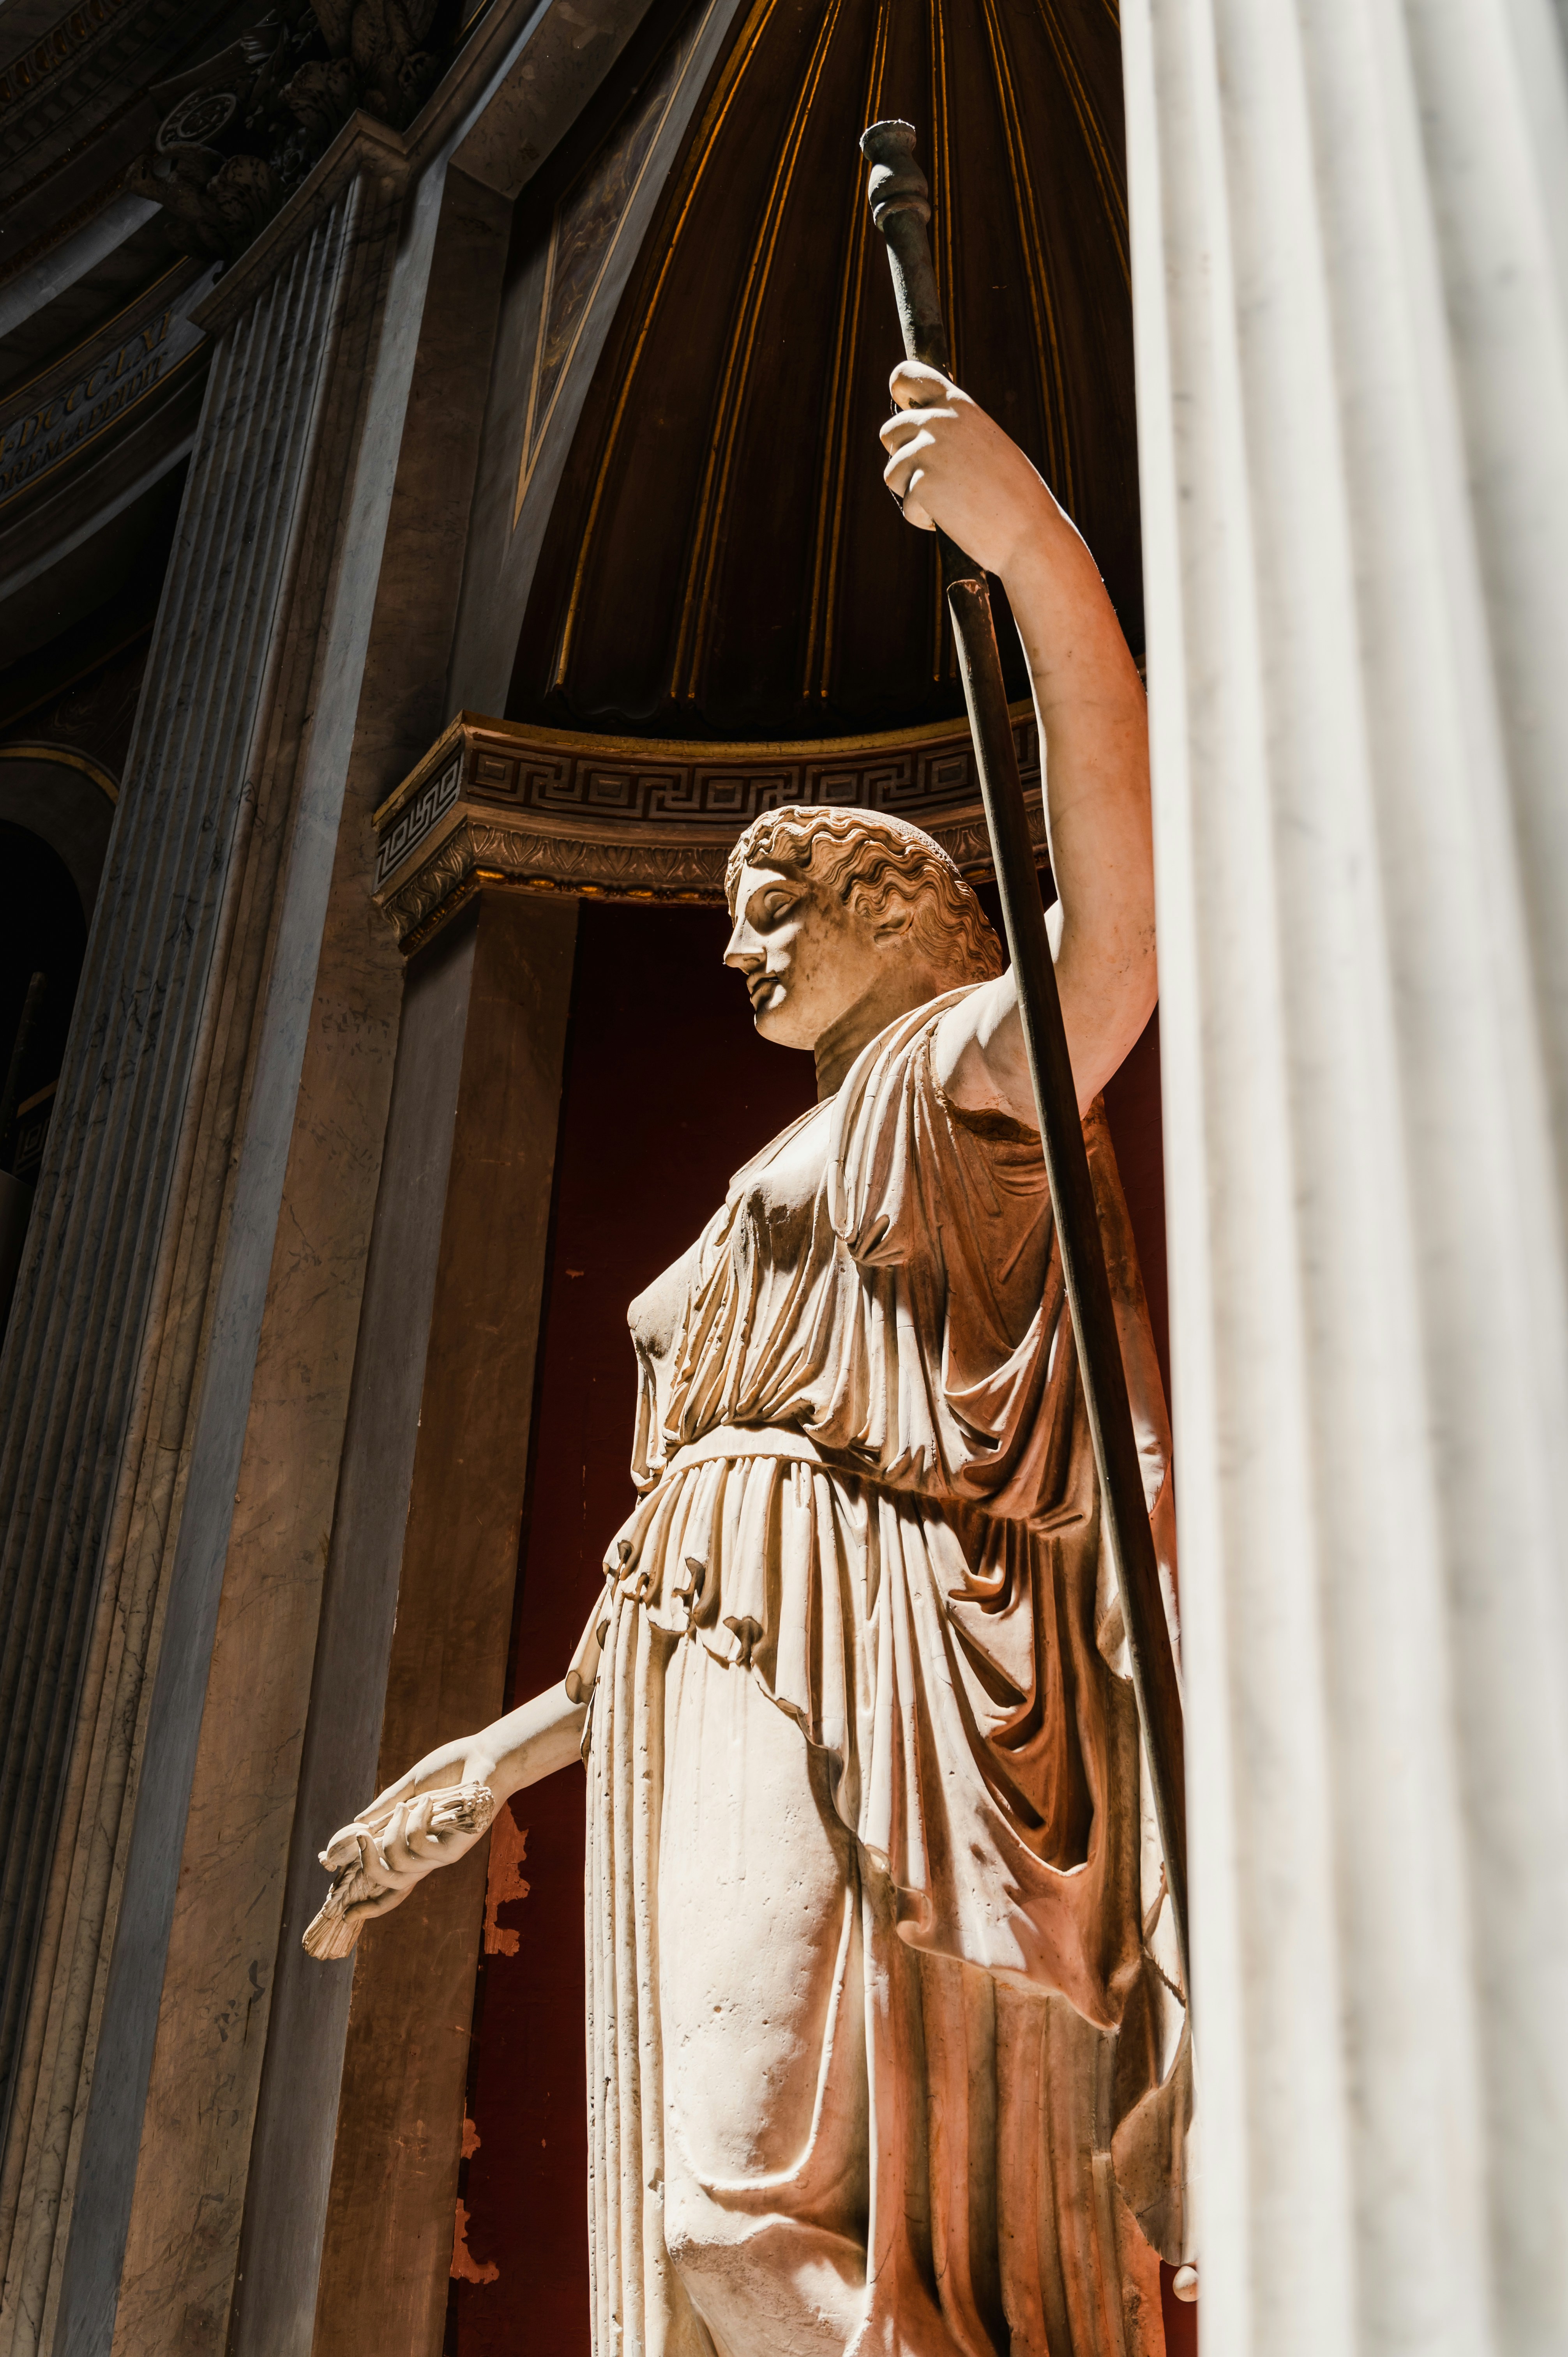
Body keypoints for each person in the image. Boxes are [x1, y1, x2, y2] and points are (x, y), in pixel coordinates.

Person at [306, 363, 1191, 2355]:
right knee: (701, 2246)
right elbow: (667, 1566)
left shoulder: (942, 1087)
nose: (735, 953)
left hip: (885, 1650)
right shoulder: (776, 1174)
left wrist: (1024, 543)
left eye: (776, 902)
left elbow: (1117, 940)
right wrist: (486, 1763)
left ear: (902, 906)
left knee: (730, 2218)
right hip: (702, 1679)